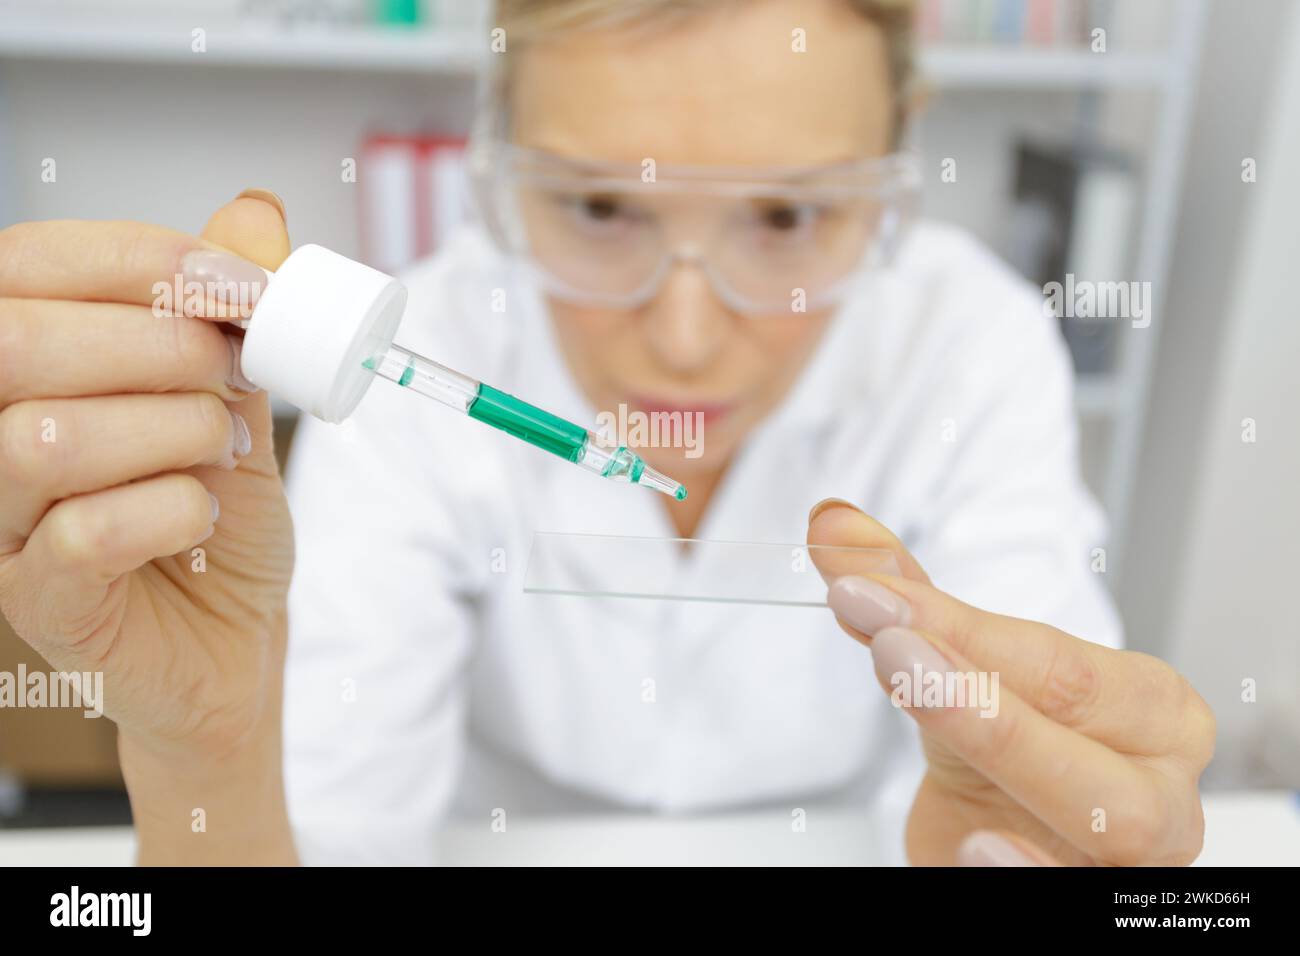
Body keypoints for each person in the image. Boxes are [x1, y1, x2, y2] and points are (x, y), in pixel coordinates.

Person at [0, 0, 1213, 866]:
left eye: (788, 215)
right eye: (596, 207)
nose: (683, 339)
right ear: (498, 167)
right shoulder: (431, 350)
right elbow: (328, 834)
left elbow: (1012, 783)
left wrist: (1029, 829)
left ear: (895, 169)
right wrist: (205, 759)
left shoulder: (972, 348)